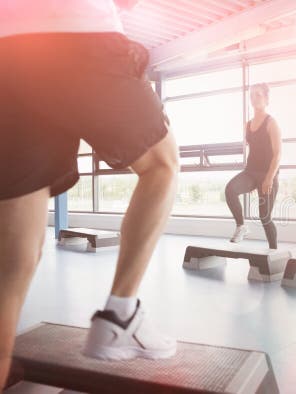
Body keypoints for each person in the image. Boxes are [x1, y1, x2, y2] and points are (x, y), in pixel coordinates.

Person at [0, 0, 179, 386]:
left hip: (7, 52)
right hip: (76, 32)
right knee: (162, 165)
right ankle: (120, 316)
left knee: (14, 264)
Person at [225, 83, 282, 248]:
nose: (254, 98)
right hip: (250, 173)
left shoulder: (271, 123)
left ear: (266, 99)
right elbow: (254, 150)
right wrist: (249, 181)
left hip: (267, 174)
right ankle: (241, 226)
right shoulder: (247, 125)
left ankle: (274, 250)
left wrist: (269, 178)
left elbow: (277, 154)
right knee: (230, 190)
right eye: (252, 95)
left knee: (265, 217)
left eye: (258, 95)